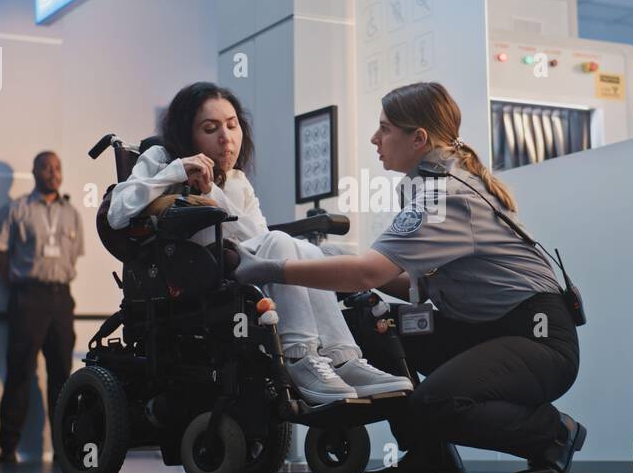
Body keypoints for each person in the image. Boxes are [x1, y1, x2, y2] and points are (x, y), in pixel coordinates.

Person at [231, 81, 586, 473]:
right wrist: (329, 263)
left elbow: (370, 272)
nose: (374, 138)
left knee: (433, 402)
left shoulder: (444, 196)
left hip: (536, 337)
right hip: (481, 328)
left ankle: (553, 434)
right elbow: (406, 282)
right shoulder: (430, 183)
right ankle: (428, 454)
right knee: (371, 327)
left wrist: (270, 269)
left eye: (384, 128)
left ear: (418, 138)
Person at [106, 81, 411, 405]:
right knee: (281, 244)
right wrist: (176, 171)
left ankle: (343, 359)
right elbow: (118, 212)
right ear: (187, 133)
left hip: (240, 262)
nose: (226, 138)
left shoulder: (237, 180)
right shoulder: (162, 156)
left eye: (232, 125)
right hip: (193, 269)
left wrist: (212, 192)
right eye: (211, 128)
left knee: (309, 251)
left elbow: (255, 234)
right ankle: (300, 357)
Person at [0, 151, 83, 464]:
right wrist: (19, 289)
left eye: (57, 167)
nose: (53, 172)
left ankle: (64, 448)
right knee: (20, 374)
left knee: (63, 376)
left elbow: (74, 257)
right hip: (27, 299)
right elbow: (1, 253)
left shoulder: (71, 212)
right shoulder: (18, 209)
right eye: (46, 167)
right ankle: (7, 449)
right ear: (34, 171)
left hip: (61, 299)